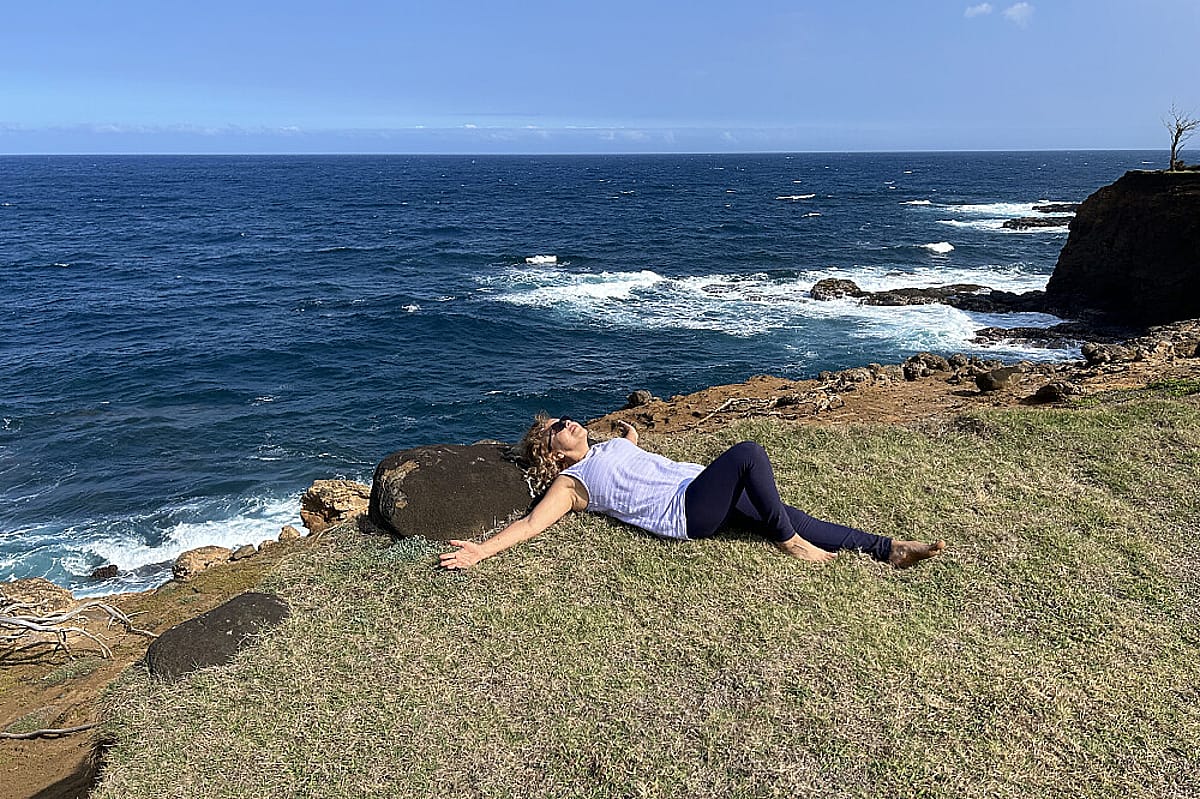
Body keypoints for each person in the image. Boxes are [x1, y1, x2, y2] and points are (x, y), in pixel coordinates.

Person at [439, 414, 944, 570]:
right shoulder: (571, 484)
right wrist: (481, 551)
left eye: (563, 418)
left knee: (786, 511)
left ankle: (889, 549)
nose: (565, 421)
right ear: (552, 455)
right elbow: (531, 523)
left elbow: (628, 454)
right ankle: (790, 543)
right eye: (555, 428)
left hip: (699, 489)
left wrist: (632, 439)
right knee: (748, 453)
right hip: (686, 511)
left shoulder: (605, 448)